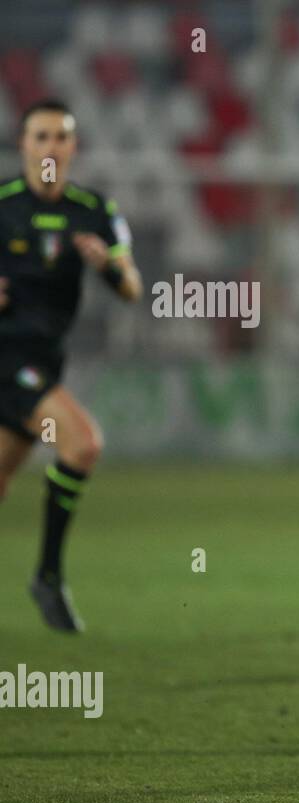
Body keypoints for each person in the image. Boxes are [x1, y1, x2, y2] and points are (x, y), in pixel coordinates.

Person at [0, 99, 143, 632]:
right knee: (82, 443)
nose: (51, 147)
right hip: (7, 358)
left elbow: (132, 288)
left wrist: (108, 266)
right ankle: (48, 577)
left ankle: (47, 580)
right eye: (40, 137)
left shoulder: (94, 211)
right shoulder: (2, 205)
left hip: (44, 361)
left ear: (73, 146)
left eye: (61, 137)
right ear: (23, 145)